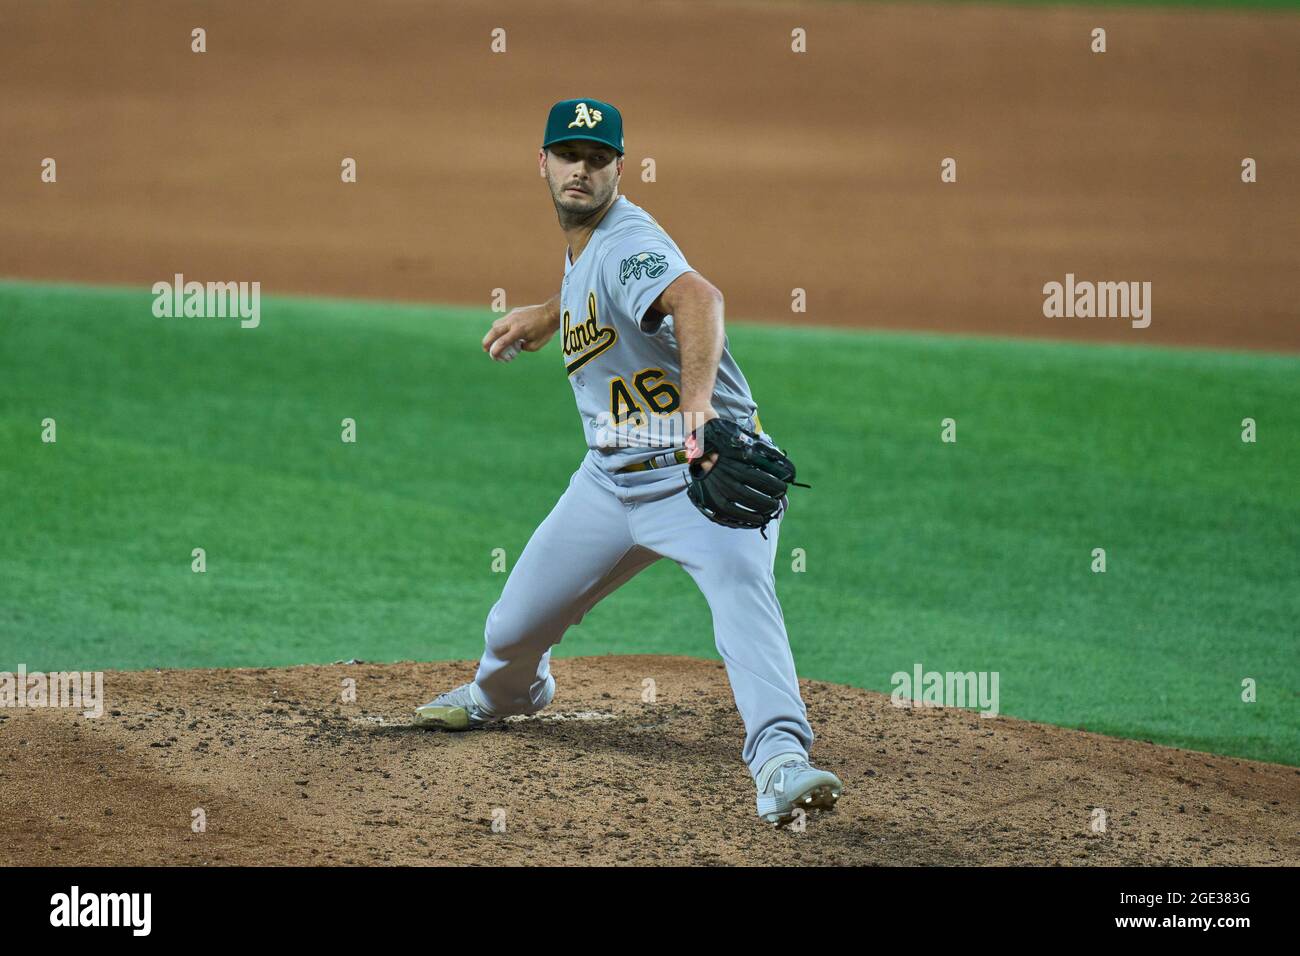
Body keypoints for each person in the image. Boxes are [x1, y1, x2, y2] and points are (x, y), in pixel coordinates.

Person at [415, 98, 842, 827]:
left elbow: (697, 296)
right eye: (567, 155)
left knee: (743, 600)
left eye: (597, 158)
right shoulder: (590, 245)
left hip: (697, 474)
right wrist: (547, 314)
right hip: (608, 485)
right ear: (542, 162)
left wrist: (699, 408)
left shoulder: (628, 239)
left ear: (622, 166)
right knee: (512, 631)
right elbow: (600, 286)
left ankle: (780, 762)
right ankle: (508, 692)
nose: (580, 170)